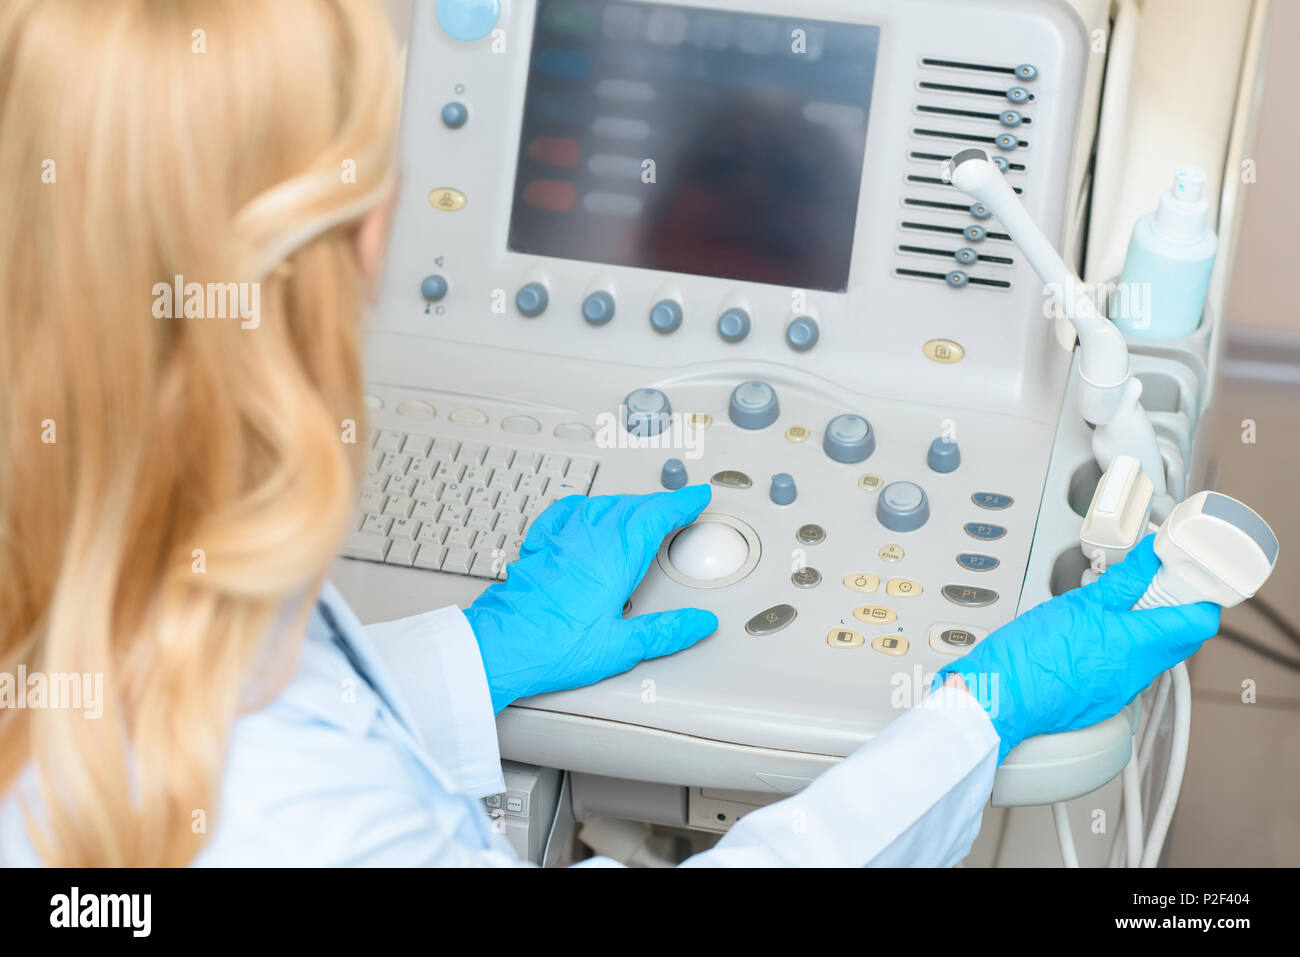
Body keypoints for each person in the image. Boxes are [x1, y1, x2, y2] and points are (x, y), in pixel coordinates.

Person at [0, 0, 1219, 867]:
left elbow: (202, 707)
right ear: (338, 252)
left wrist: (465, 665)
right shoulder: (324, 817)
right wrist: (969, 716)